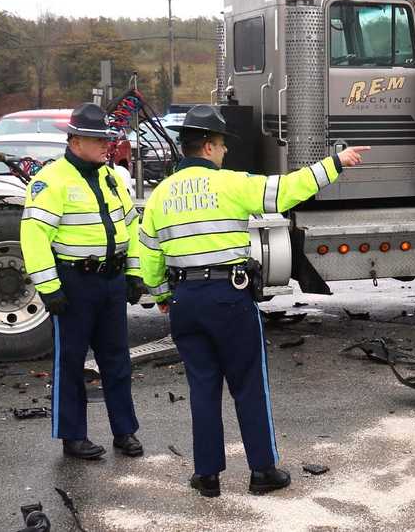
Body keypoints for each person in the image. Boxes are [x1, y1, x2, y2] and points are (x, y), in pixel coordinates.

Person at [136, 104, 369, 497]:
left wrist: (161, 294)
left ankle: (207, 477)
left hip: (185, 301)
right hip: (228, 298)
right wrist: (335, 163)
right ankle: (262, 472)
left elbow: (147, 253)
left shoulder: (160, 195)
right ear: (208, 146)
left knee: (203, 389)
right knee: (248, 386)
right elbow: (287, 190)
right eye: (222, 144)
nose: (225, 151)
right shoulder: (231, 184)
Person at [20, 102, 145, 460]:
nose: (107, 145)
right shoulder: (52, 179)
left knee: (118, 359)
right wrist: (49, 288)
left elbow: (130, 227)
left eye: (107, 138)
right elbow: (34, 235)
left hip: (111, 281)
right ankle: (73, 436)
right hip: (75, 283)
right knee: (71, 363)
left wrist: (134, 273)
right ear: (75, 140)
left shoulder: (110, 178)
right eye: (98, 139)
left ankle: (125, 431)